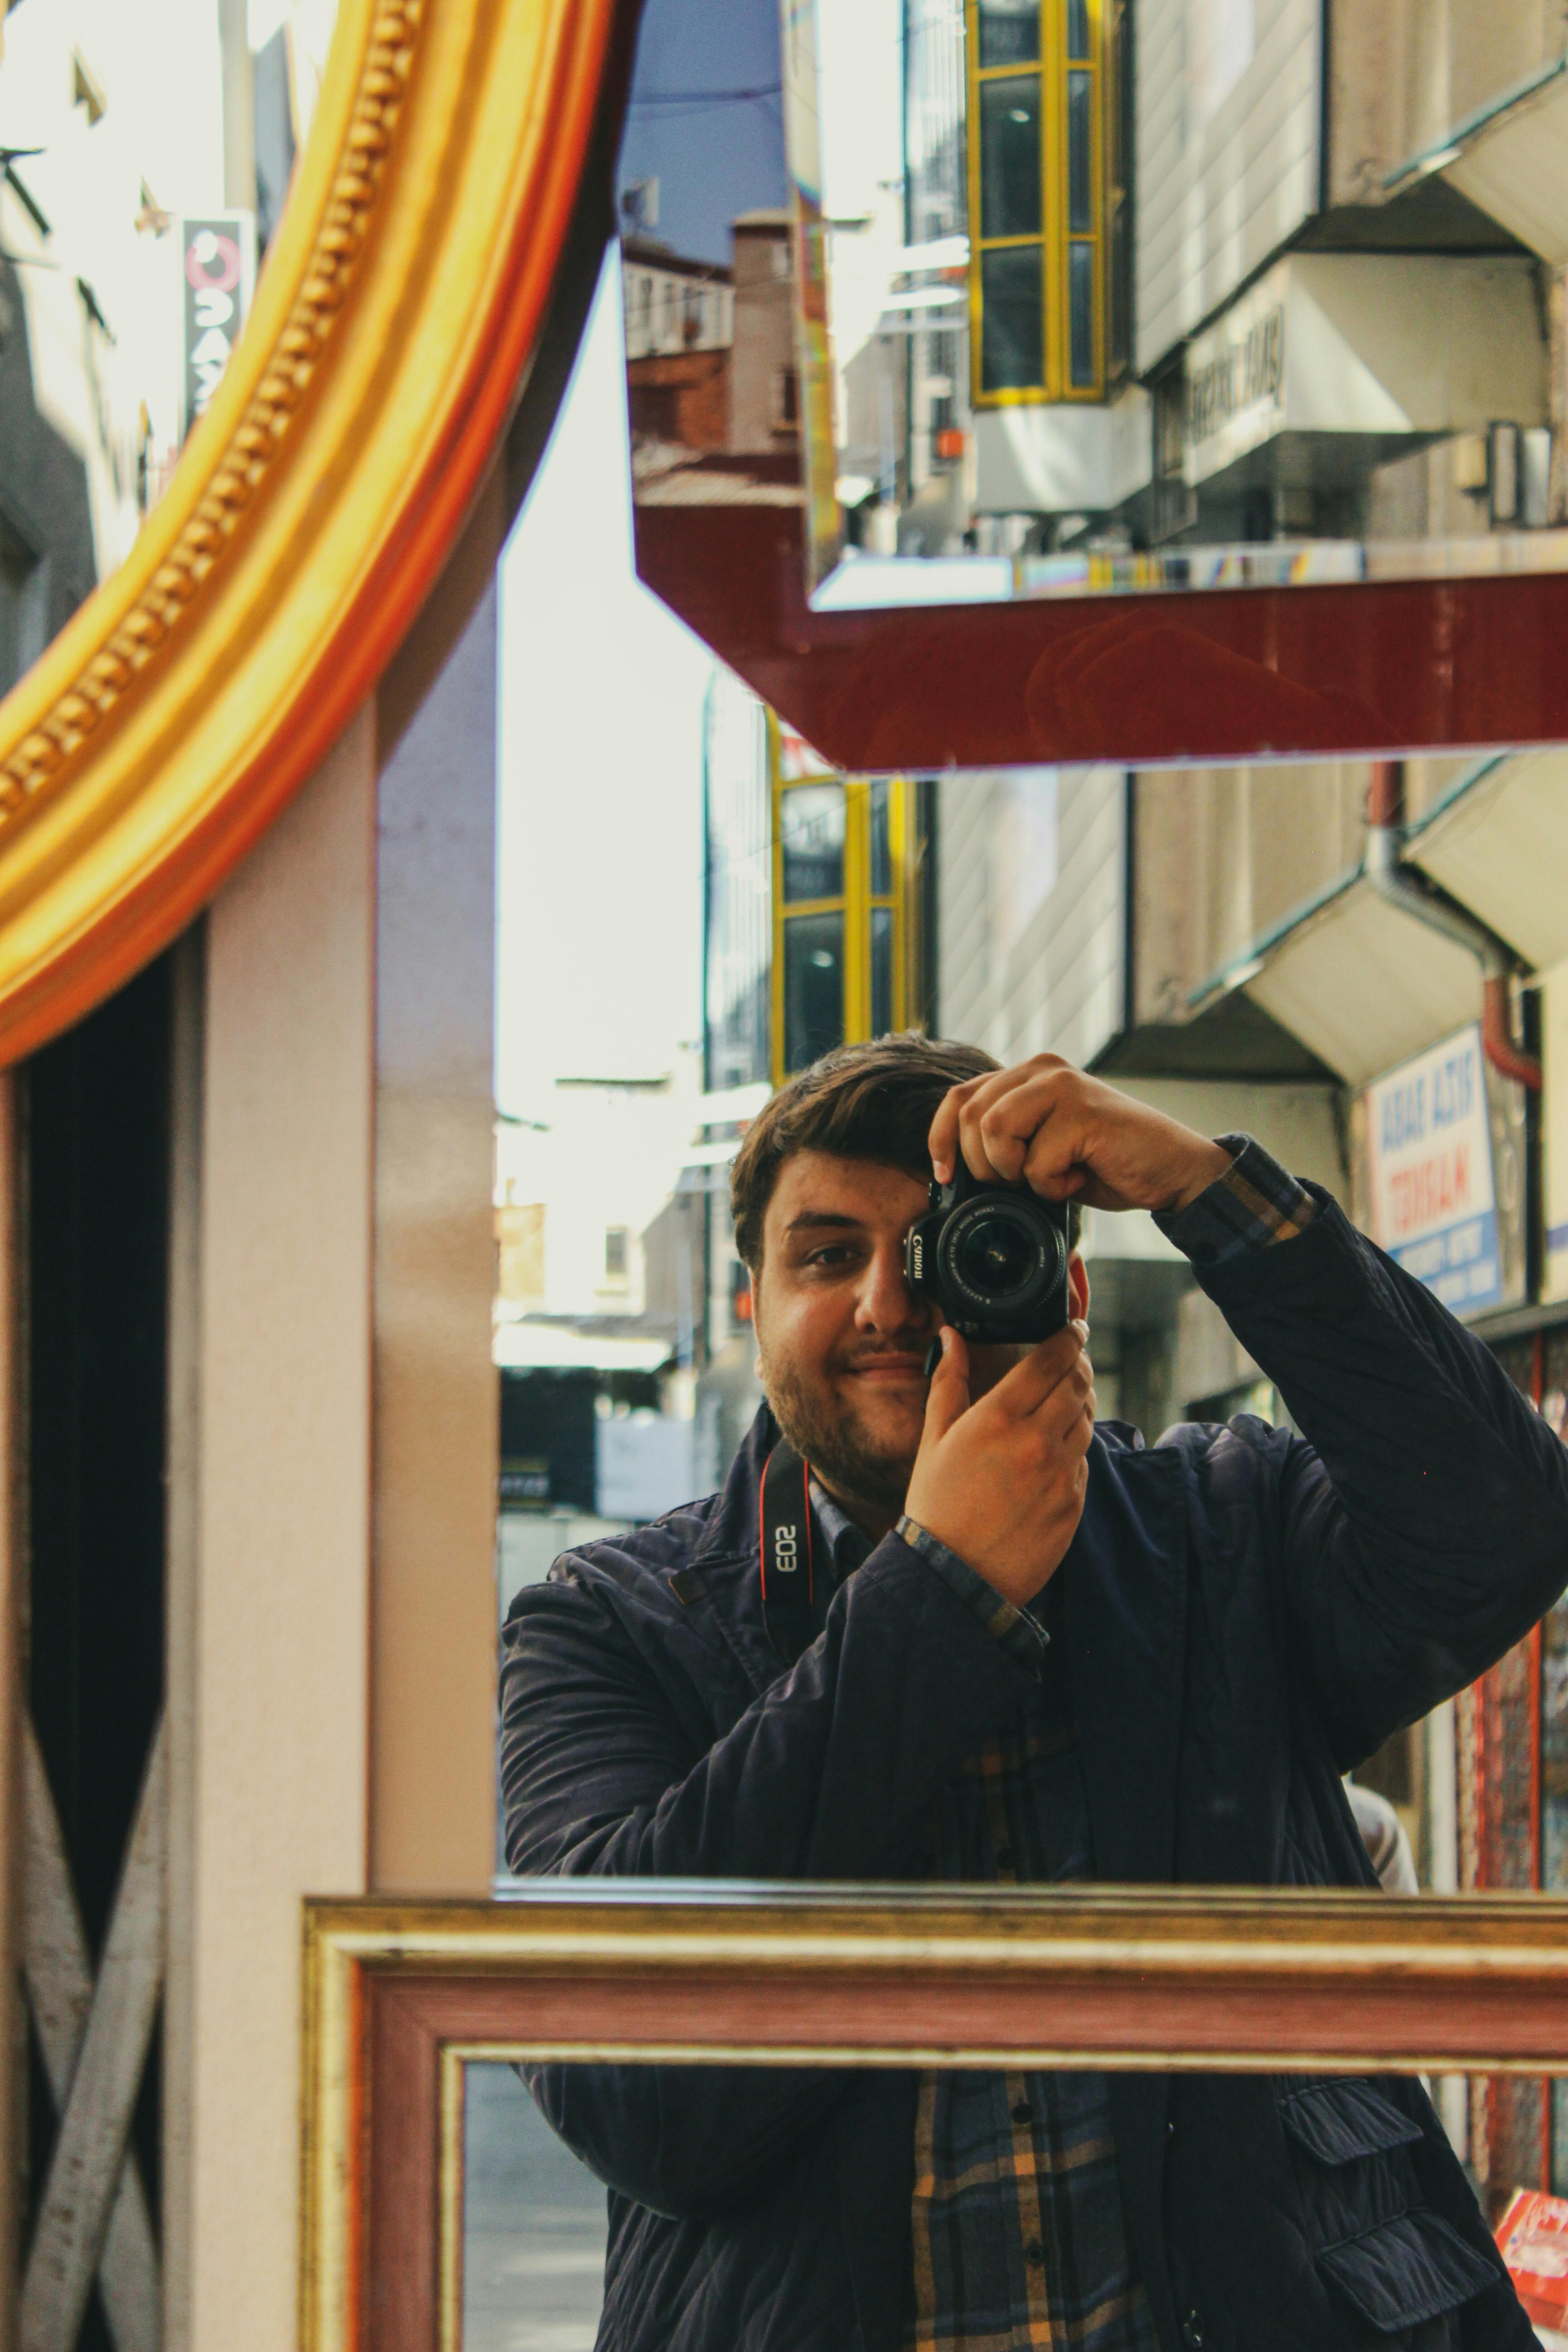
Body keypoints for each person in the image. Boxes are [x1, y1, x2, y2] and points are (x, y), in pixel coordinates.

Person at [500, 1034, 1568, 2352]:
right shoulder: (608, 1623)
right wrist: (942, 1592)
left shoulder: (1219, 1524)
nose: (889, 1303)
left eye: (953, 1242)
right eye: (827, 1256)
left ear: (1061, 1278)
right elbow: (625, 2085)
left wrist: (1207, 1193)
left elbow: (1505, 1528)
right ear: (751, 1305)